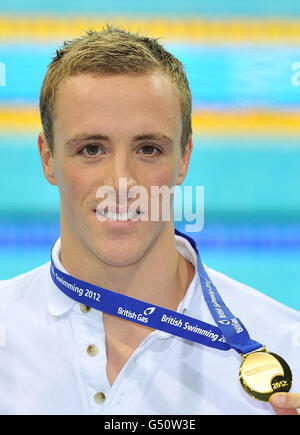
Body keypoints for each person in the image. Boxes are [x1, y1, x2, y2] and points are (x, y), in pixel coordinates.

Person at [0, 24, 299, 416]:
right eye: (91, 149)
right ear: (48, 158)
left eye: (148, 149)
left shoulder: (286, 345)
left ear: (184, 158)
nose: (122, 182)